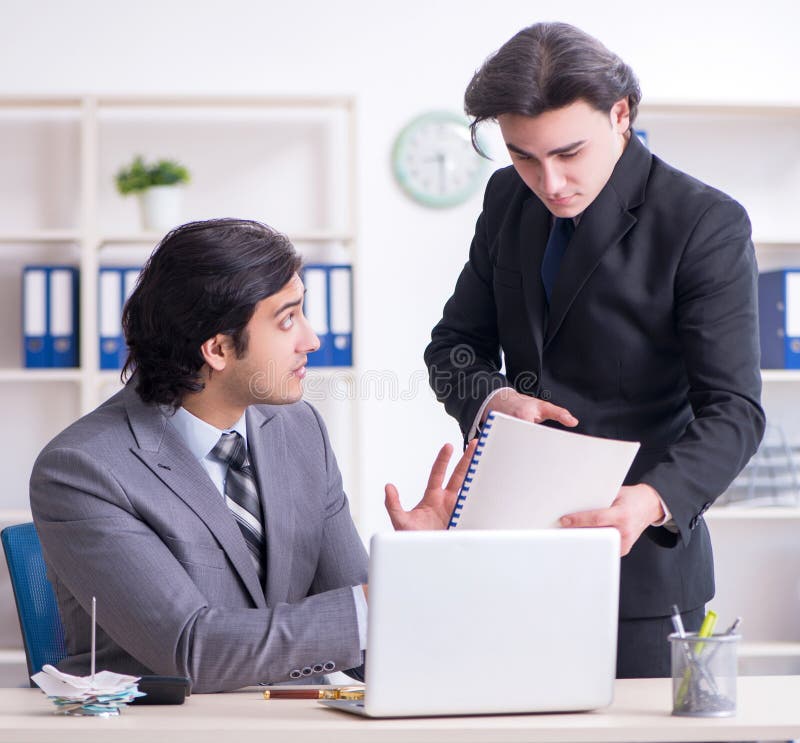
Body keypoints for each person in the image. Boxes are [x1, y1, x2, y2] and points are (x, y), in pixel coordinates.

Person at [424, 22, 765, 678]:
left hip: (640, 576)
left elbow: (735, 411)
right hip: (506, 558)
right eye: (523, 156)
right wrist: (494, 401)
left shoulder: (704, 223)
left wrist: (647, 500)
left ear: (621, 114)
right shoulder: (505, 199)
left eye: (568, 153)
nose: (549, 182)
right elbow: (453, 346)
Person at [30, 218, 470, 693]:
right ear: (218, 348)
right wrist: (379, 599)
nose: (312, 340)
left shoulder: (299, 431)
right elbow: (191, 651)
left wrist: (417, 566)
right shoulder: (83, 469)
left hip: (292, 721)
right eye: (287, 319)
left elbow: (366, 642)